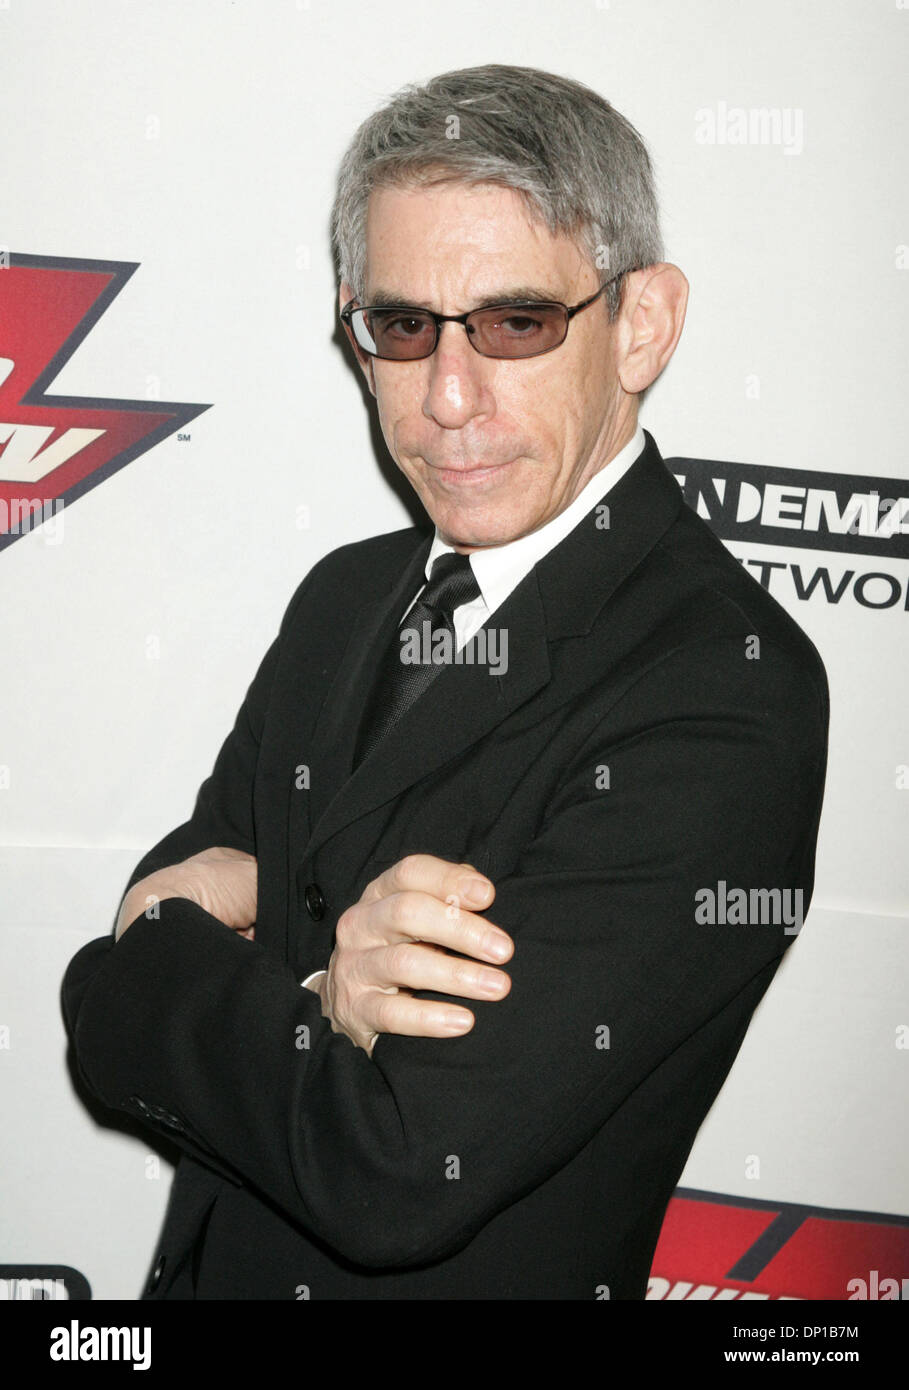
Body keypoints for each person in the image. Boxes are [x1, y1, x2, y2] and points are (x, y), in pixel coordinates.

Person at [61, 63, 829, 1300]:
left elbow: (400, 1162)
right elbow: (100, 1016)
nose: (449, 397)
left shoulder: (724, 689)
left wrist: (188, 949)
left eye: (518, 323)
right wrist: (312, 992)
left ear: (643, 324)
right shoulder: (345, 597)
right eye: (405, 327)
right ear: (354, 323)